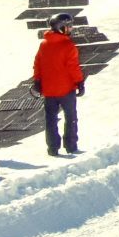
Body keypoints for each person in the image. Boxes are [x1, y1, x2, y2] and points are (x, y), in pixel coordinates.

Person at [33, 13, 84, 157]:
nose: (71, 29)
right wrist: (79, 82)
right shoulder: (68, 45)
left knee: (50, 120)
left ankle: (52, 148)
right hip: (66, 89)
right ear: (61, 28)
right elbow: (73, 67)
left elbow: (37, 64)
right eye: (69, 26)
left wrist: (37, 80)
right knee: (70, 117)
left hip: (49, 91)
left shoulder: (44, 44)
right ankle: (71, 145)